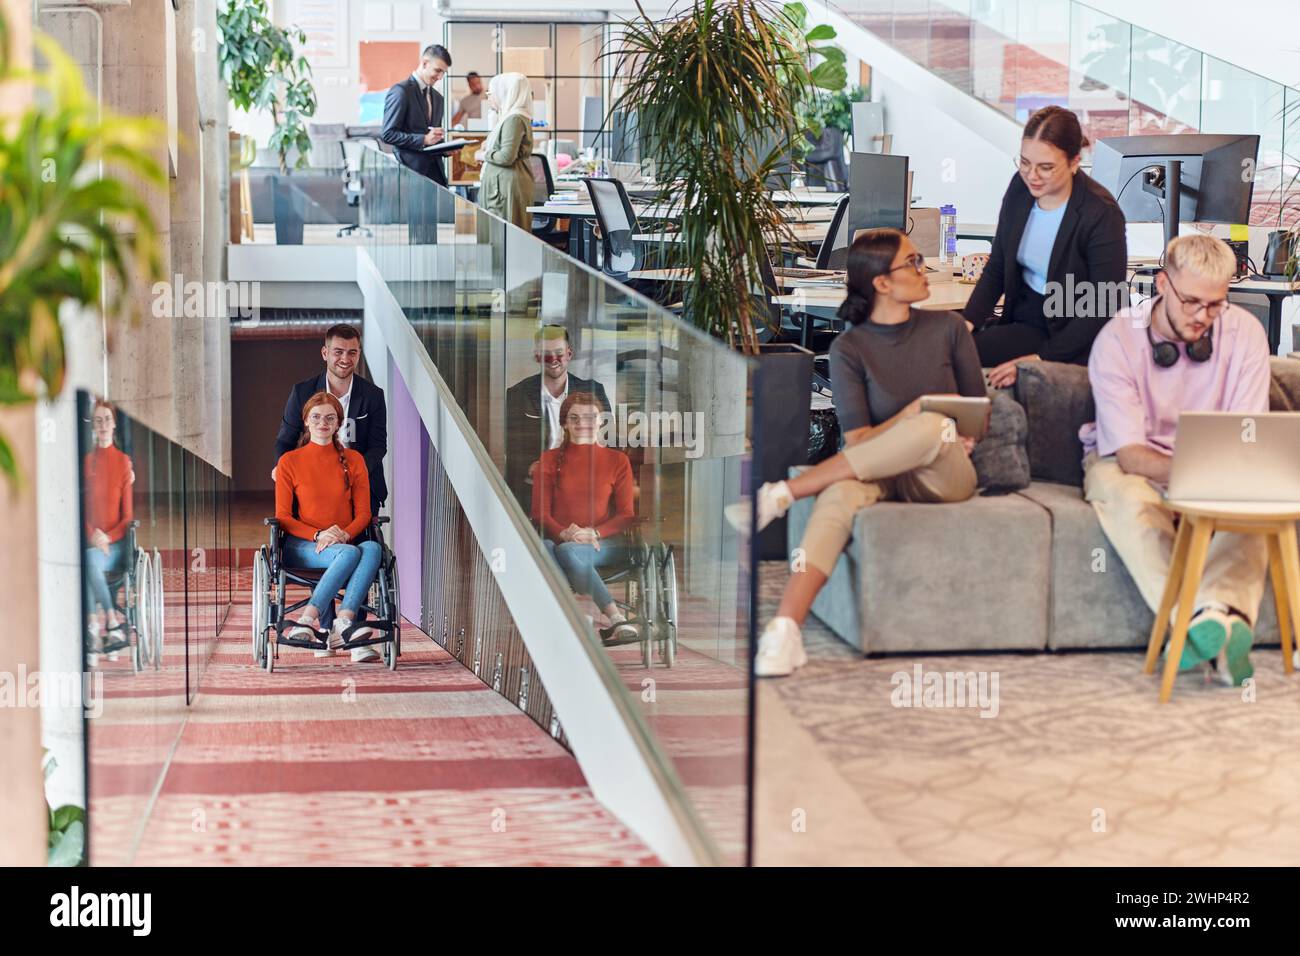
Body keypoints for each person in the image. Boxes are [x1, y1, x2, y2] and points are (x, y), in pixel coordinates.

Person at [728, 229, 987, 677]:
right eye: (914, 262)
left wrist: (929, 421)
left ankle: (782, 493)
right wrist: (911, 414)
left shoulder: (948, 329)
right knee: (837, 499)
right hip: (880, 472)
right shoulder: (850, 348)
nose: (924, 270)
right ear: (882, 283)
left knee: (932, 425)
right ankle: (786, 629)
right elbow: (861, 441)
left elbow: (975, 414)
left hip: (945, 473)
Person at [1081, 233, 1271, 687]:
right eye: (1191, 302)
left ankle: (1208, 622)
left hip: (1214, 463)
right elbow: (1130, 455)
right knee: (1131, 501)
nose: (1203, 317)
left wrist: (1224, 476)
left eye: (1215, 305)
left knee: (1251, 512)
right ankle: (1212, 623)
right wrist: (1199, 475)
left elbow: (1246, 434)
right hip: (1129, 461)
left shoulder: (1244, 331)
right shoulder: (1117, 340)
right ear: (1162, 284)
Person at [964, 105, 1128, 388]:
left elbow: (1104, 303)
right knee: (951, 352)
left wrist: (1041, 358)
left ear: (1075, 162)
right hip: (1026, 319)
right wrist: (966, 324)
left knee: (966, 362)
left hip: (1074, 331)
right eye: (1025, 163)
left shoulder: (1100, 213)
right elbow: (998, 265)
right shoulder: (1020, 188)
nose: (1032, 176)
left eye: (1046, 167)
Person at [275, 324, 387, 637]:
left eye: (352, 352)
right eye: (338, 351)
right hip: (309, 518)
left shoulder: (372, 396)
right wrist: (282, 471)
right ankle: (323, 624)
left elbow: (379, 444)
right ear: (326, 353)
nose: (345, 358)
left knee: (369, 546)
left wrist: (355, 470)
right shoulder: (302, 393)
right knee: (352, 551)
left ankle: (349, 626)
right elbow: (284, 441)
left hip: (358, 488)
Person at [275, 392, 383, 663]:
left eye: (330, 418)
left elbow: (364, 513)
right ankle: (308, 618)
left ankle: (343, 621)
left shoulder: (354, 460)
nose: (323, 422)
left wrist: (343, 534)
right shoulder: (290, 461)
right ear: (306, 422)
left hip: (345, 541)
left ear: (338, 424)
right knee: (348, 553)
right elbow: (284, 517)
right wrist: (319, 535)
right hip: (302, 544)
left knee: (371, 547)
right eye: (316, 417)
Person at [532, 391, 639, 644]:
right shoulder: (548, 460)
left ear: (601, 421)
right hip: (561, 541)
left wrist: (595, 533)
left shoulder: (617, 460)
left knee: (567, 551)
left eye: (590, 417)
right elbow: (539, 513)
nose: (583, 424)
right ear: (565, 423)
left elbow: (626, 515)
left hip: (606, 544)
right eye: (575, 418)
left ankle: (614, 618)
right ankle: (579, 618)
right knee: (544, 547)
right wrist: (565, 533)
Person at [505, 325, 611, 512]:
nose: (553, 359)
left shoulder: (594, 391)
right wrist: (533, 466)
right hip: (534, 491)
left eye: (559, 353)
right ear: (537, 357)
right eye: (546, 354)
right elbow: (512, 449)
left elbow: (608, 442)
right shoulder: (518, 394)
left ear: (569, 354)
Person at [83, 400, 134, 654]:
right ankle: (109, 625)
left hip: (116, 547)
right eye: (98, 420)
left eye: (107, 419)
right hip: (93, 544)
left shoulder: (123, 462)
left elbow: (128, 517)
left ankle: (99, 627)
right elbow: (82, 511)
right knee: (88, 560)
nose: (103, 425)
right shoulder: (86, 463)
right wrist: (94, 535)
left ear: (114, 424)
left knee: (88, 561)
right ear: (94, 426)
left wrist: (107, 537)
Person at [381, 44, 453, 188]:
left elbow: (431, 137)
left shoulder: (438, 98)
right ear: (425, 63)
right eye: (438, 71)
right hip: (411, 174)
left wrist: (445, 148)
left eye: (443, 73)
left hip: (437, 175)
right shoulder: (401, 92)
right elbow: (388, 134)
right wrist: (424, 139)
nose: (440, 77)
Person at [477, 72, 534, 230]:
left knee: (503, 237)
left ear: (504, 93)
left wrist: (483, 155)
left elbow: (506, 157)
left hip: (504, 189)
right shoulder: (511, 117)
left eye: (490, 94)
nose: (489, 98)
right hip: (501, 187)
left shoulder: (514, 119)